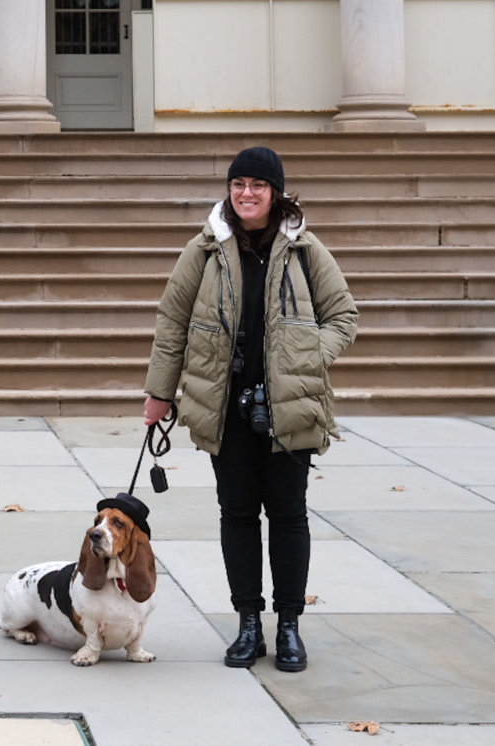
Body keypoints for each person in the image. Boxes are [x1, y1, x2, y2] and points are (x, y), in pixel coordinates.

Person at [142, 146, 357, 674]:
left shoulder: (305, 249)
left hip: (292, 409)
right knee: (237, 515)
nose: (246, 194)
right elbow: (172, 324)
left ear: (276, 192)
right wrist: (158, 392)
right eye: (238, 184)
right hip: (227, 407)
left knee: (288, 516)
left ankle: (288, 627)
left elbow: (343, 317)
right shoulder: (204, 250)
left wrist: (307, 357)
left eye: (258, 185)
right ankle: (246, 625)